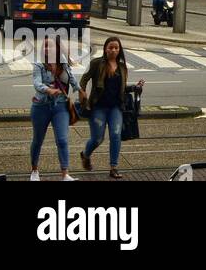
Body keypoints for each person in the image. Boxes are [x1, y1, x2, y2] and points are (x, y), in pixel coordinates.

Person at [78, 36, 143, 179]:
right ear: (105, 49)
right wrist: (82, 92)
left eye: (116, 48)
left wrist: (135, 87)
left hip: (115, 108)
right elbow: (83, 79)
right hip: (98, 107)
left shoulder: (122, 67)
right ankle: (85, 155)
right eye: (110, 47)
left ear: (119, 50)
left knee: (115, 135)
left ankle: (113, 167)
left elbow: (122, 89)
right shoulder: (96, 63)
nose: (113, 50)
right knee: (97, 139)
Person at [29, 35, 75, 181]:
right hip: (40, 106)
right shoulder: (39, 64)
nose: (46, 48)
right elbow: (37, 84)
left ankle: (65, 174)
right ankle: (34, 170)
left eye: (50, 45)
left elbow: (71, 80)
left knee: (62, 140)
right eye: (44, 46)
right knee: (38, 140)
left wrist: (79, 89)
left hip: (60, 107)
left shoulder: (63, 63)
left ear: (57, 48)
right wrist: (48, 90)